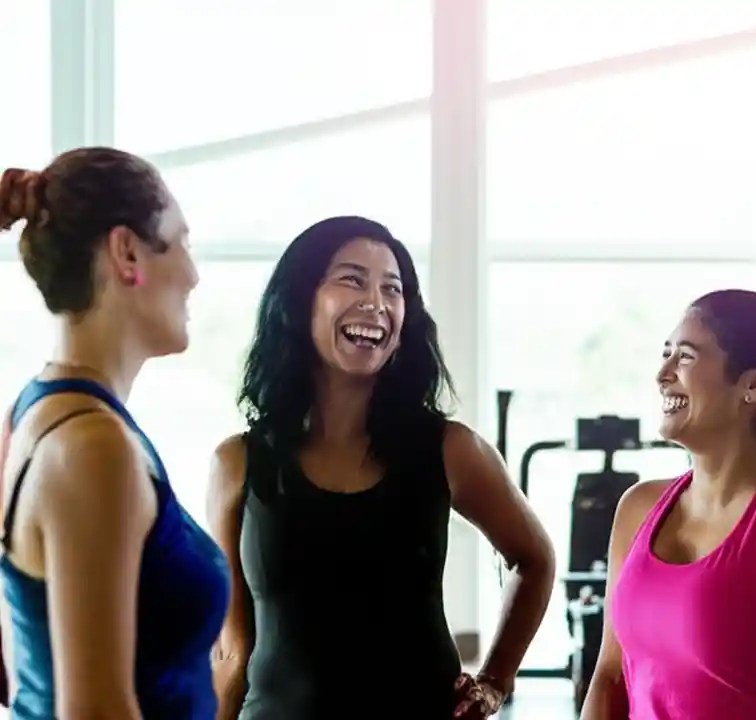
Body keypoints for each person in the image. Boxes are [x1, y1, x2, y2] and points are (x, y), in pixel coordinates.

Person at [207, 215, 556, 719]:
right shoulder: (237, 462)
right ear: (301, 298)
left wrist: (496, 681)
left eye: (392, 289)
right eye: (352, 279)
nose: (375, 302)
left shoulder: (451, 450)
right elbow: (231, 648)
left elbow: (535, 558)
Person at [0, 152, 229, 718]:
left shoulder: (35, 413)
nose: (194, 274)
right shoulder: (93, 450)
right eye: (180, 242)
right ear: (127, 252)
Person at [580, 289, 756, 720]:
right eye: (666, 353)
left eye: (686, 357)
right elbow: (609, 677)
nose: (663, 373)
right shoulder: (638, 507)